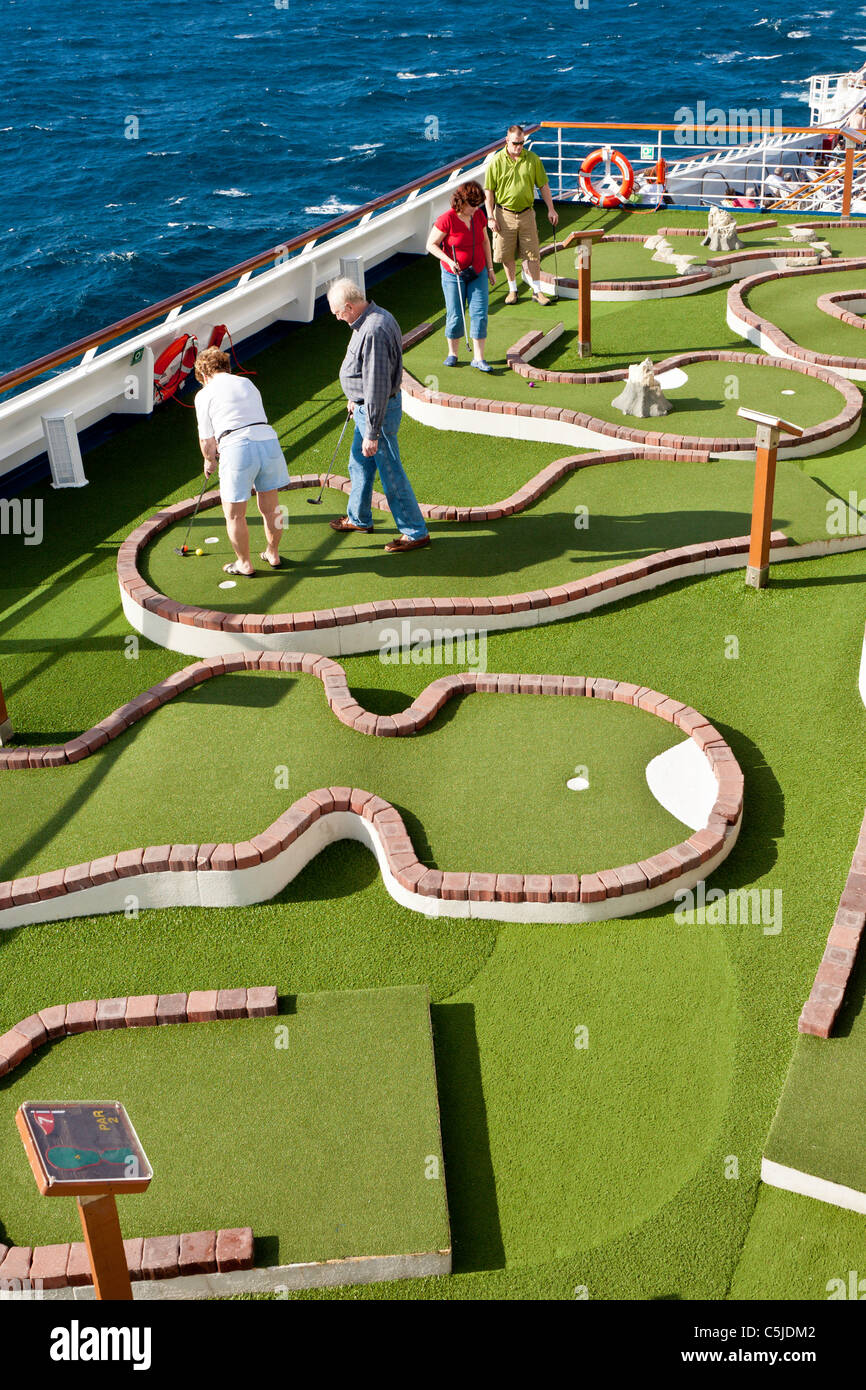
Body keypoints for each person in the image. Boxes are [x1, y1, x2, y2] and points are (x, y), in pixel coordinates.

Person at [326, 278, 430, 553]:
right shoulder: (374, 316)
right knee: (358, 464)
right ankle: (359, 518)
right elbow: (364, 374)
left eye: (338, 313)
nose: (338, 319)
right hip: (365, 409)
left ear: (349, 306)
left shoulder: (372, 330)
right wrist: (354, 397)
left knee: (391, 473)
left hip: (376, 414)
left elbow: (377, 384)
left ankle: (415, 531)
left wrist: (372, 431)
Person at [194, 346, 289, 576]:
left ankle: (244, 563)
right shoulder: (247, 383)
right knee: (273, 507)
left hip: (237, 447)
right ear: (225, 366)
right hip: (268, 441)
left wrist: (209, 461)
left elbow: (207, 441)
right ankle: (273, 553)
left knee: (235, 513)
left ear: (204, 375)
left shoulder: (204, 394)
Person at [484, 124, 558, 305]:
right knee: (506, 254)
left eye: (522, 143)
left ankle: (537, 291)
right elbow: (489, 192)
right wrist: (490, 217)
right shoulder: (496, 161)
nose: (519, 147)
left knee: (532, 253)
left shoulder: (532, 159)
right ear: (507, 141)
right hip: (503, 214)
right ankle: (513, 290)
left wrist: (551, 208)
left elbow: (543, 186)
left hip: (527, 213)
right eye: (516, 143)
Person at [426, 179, 496, 370]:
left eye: (478, 205)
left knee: (479, 313)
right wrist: (449, 261)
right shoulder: (446, 219)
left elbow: (484, 243)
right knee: (455, 313)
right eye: (473, 205)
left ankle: (479, 358)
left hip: (478, 270)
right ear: (462, 202)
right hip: (453, 274)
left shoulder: (478, 216)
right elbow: (430, 245)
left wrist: (490, 269)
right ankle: (453, 353)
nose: (476, 208)